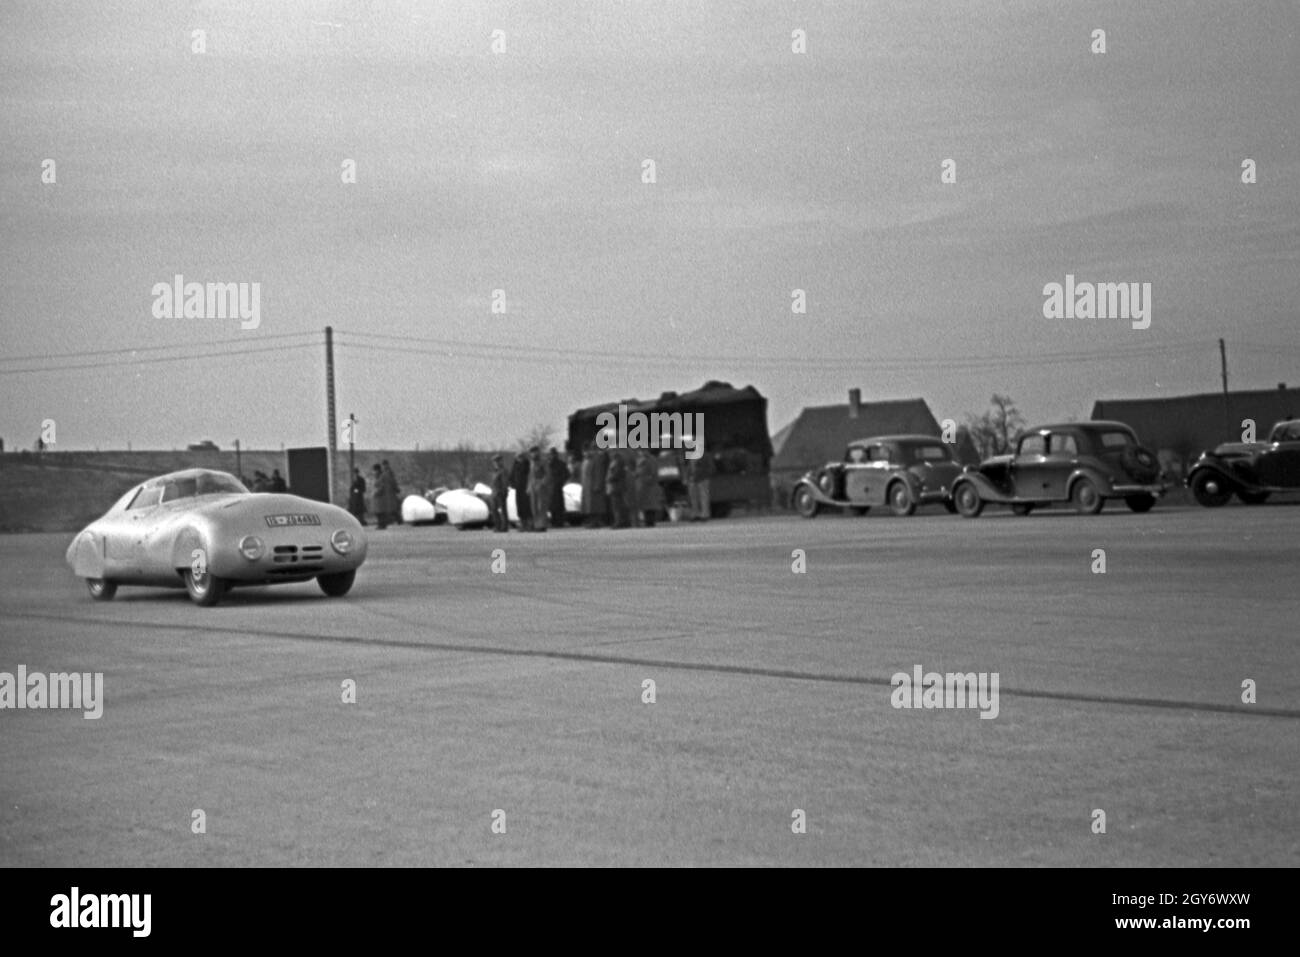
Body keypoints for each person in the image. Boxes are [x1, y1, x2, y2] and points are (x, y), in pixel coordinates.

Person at [635, 449, 664, 527]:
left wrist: (647, 479)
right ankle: (648, 522)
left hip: (649, 486)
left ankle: (650, 522)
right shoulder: (639, 458)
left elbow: (654, 473)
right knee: (645, 505)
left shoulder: (651, 459)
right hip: (642, 485)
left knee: (650, 505)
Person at [686, 442, 714, 521]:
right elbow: (690, 467)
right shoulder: (693, 455)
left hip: (702, 479)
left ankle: (705, 514)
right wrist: (688, 477)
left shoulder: (706, 455)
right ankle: (695, 514)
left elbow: (711, 468)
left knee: (703, 497)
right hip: (693, 480)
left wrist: (703, 475)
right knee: (693, 498)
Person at [527, 446, 551, 531]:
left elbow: (547, 474)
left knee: (541, 506)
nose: (533, 454)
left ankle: (542, 525)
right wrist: (529, 487)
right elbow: (530, 475)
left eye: (535, 452)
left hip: (541, 487)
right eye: (532, 452)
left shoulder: (543, 461)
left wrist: (542, 483)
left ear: (538, 452)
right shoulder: (531, 462)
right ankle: (537, 525)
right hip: (533, 486)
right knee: (534, 507)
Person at [586, 442, 609, 527]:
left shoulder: (598, 458)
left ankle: (597, 522)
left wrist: (598, 484)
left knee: (597, 505)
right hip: (592, 484)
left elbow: (599, 472)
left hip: (596, 484)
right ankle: (594, 521)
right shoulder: (593, 458)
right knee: (593, 505)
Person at [606, 449, 630, 528]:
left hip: (617, 486)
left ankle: (619, 522)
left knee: (617, 506)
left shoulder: (618, 461)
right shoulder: (616, 460)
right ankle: (623, 521)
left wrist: (609, 478)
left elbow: (617, 473)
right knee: (619, 505)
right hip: (616, 486)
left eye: (610, 451)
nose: (609, 453)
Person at [510, 451, 532, 530]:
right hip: (518, 489)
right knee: (520, 506)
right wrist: (512, 485)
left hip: (526, 488)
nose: (519, 458)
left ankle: (529, 524)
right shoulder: (515, 465)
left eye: (521, 457)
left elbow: (530, 475)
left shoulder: (527, 464)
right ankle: (523, 524)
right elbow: (511, 476)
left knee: (527, 507)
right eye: (518, 457)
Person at [548, 448, 570, 528]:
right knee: (551, 506)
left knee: (559, 506)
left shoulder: (561, 464)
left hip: (557, 487)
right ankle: (554, 521)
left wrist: (560, 482)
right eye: (551, 454)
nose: (552, 456)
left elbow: (567, 474)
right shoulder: (548, 464)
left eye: (553, 454)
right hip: (550, 487)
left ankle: (559, 521)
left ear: (556, 455)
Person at [489, 454, 510, 532]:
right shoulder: (494, 471)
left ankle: (504, 527)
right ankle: (497, 526)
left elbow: (505, 482)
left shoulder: (503, 471)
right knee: (494, 510)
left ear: (501, 461)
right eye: (495, 461)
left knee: (503, 510)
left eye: (498, 461)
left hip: (501, 492)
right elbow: (493, 482)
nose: (496, 463)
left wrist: (504, 492)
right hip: (494, 493)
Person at [371, 463, 393, 529]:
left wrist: (376, 492)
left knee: (381, 512)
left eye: (374, 470)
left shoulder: (382, 476)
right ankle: (381, 524)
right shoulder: (378, 476)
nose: (374, 472)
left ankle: (382, 525)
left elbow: (382, 487)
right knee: (378, 512)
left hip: (381, 497)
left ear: (377, 470)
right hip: (378, 497)